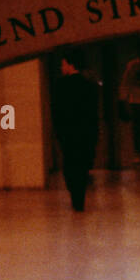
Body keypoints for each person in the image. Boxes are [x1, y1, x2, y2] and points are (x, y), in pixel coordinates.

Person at [52, 48, 100, 213]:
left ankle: (75, 196)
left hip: (68, 133)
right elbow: (93, 112)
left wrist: (58, 132)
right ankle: (79, 197)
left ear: (69, 64)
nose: (61, 67)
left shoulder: (60, 85)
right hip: (85, 132)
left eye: (63, 63)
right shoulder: (89, 85)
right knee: (81, 165)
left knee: (70, 164)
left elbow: (56, 111)